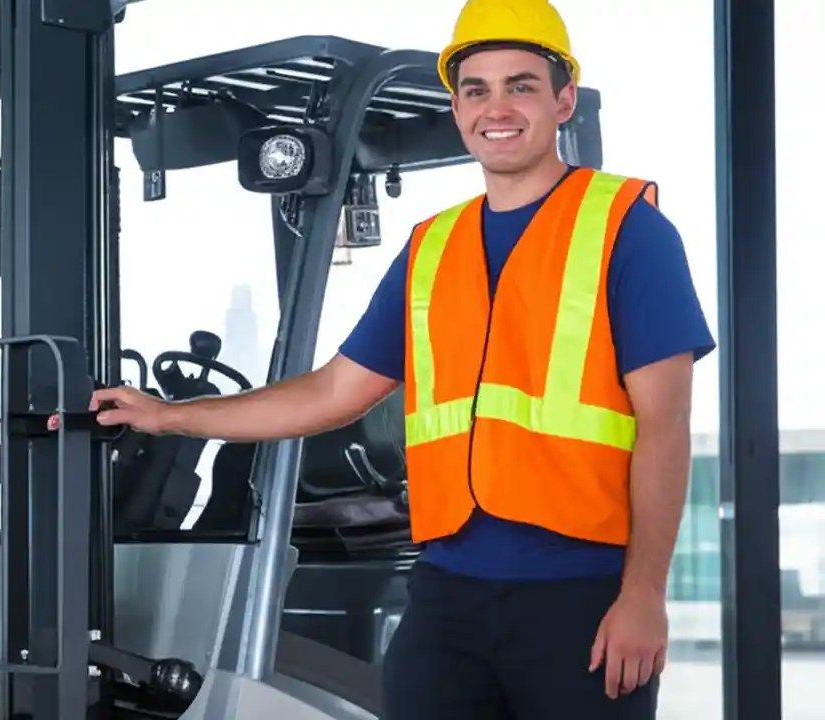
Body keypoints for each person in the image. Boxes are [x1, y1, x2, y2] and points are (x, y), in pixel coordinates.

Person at [90, 0, 715, 717]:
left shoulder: (629, 230)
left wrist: (643, 597)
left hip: (579, 596)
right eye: (476, 89)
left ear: (562, 99)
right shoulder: (432, 248)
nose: (496, 107)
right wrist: (170, 418)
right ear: (457, 108)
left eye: (521, 85)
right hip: (447, 595)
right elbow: (333, 391)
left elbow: (665, 428)